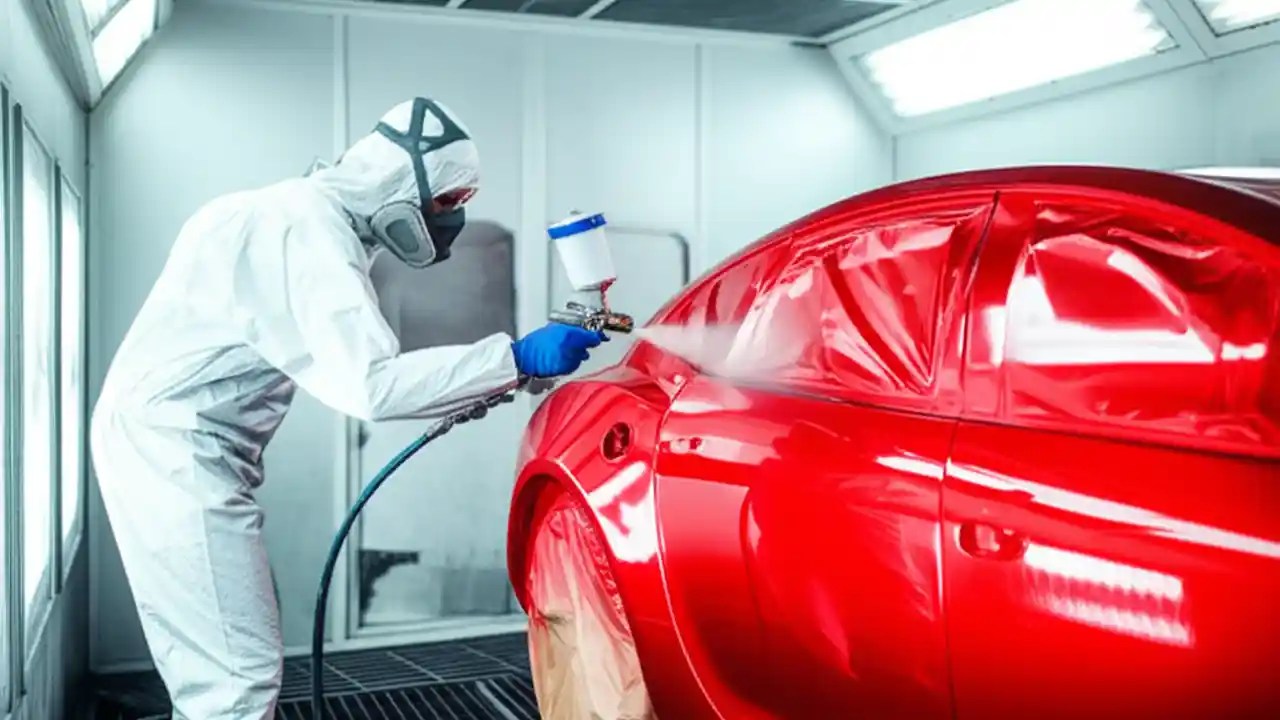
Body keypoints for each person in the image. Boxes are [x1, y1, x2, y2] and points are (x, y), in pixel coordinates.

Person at [89, 97, 603, 719]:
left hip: (184, 449)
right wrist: (515, 358)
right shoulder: (302, 227)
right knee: (234, 683)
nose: (453, 222)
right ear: (397, 184)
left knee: (226, 662)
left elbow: (360, 356)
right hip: (174, 454)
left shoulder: (304, 218)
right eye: (447, 202)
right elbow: (373, 385)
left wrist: (504, 370)